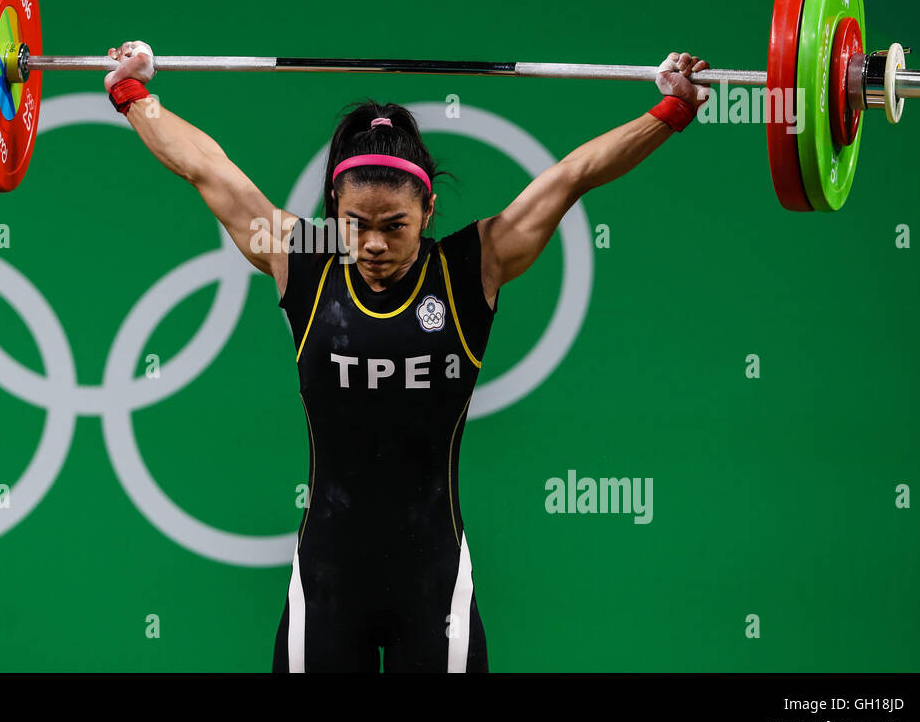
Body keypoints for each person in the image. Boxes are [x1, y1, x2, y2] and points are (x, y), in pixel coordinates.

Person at [103, 41, 711, 672]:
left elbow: (574, 175)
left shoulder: (475, 266)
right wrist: (132, 92)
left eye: (394, 224)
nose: (372, 244)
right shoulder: (301, 259)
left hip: (434, 585)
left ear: (427, 211)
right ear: (333, 209)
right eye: (355, 223)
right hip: (328, 584)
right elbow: (206, 167)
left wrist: (671, 111)